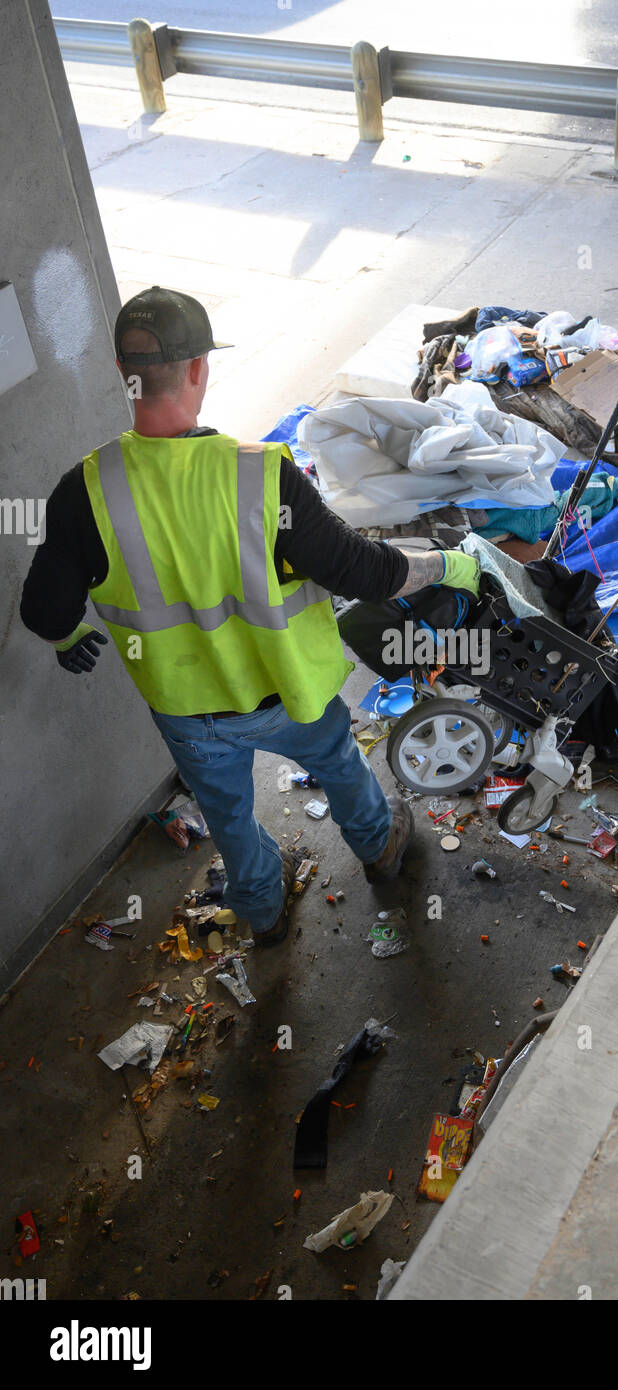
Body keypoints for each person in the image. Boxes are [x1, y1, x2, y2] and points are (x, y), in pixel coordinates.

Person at [20, 286, 480, 945]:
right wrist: (447, 566)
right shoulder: (261, 476)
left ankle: (261, 910)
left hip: (188, 712)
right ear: (200, 369)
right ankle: (379, 849)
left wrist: (68, 636)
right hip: (289, 693)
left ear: (123, 376)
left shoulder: (86, 489)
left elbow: (43, 610)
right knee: (340, 764)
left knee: (227, 815)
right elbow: (366, 572)